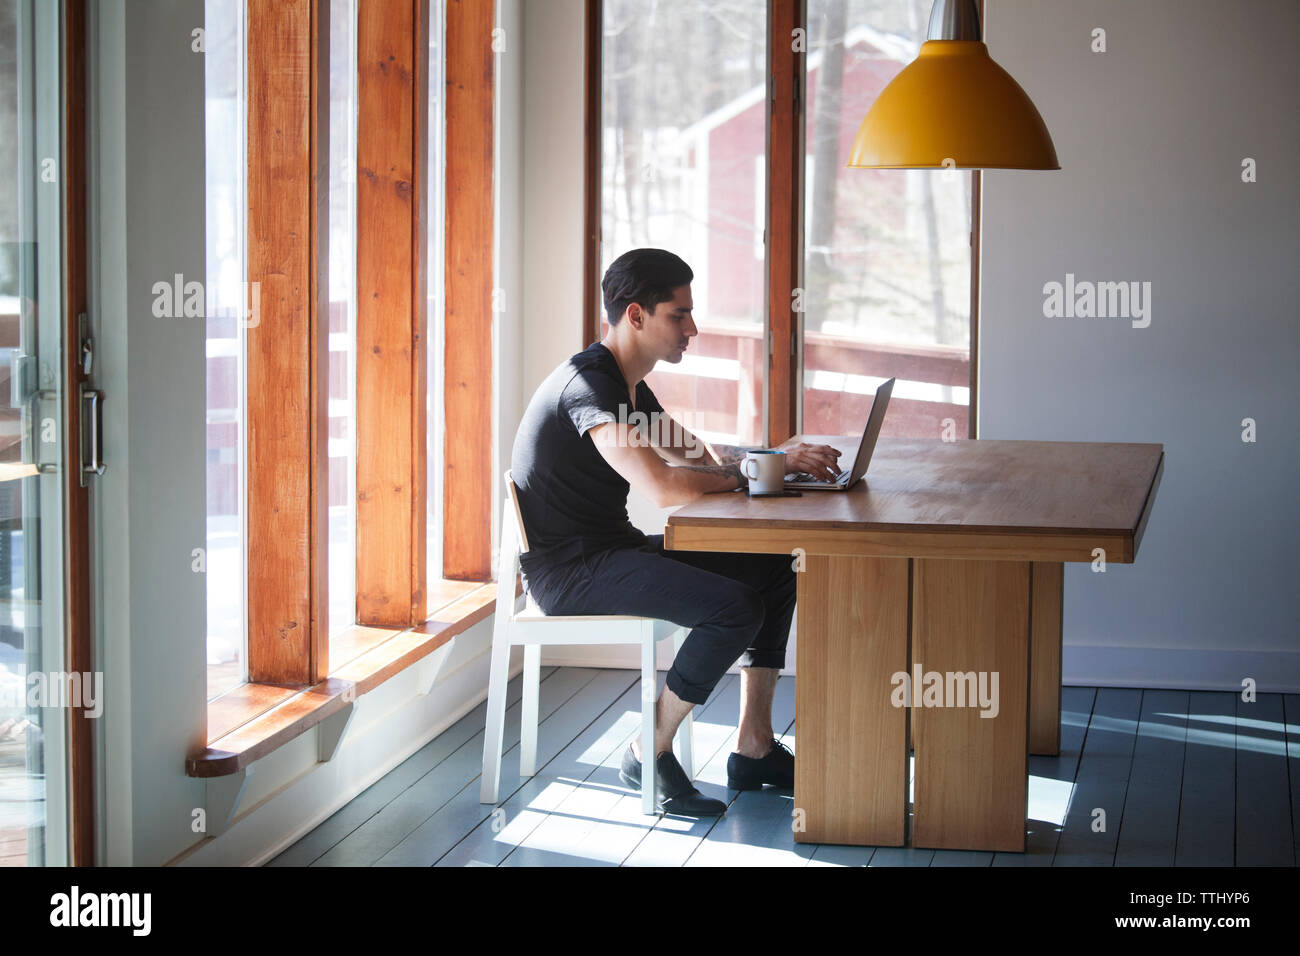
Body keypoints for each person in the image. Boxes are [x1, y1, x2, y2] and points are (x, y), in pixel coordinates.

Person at [509, 248, 841, 815]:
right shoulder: (589, 388)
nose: (694, 327)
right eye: (679, 314)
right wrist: (752, 472)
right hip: (570, 573)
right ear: (635, 315)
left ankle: (754, 746)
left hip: (610, 552)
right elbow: (664, 486)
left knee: (775, 567)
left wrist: (775, 457)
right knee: (734, 607)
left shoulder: (628, 385)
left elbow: (701, 456)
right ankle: (647, 748)